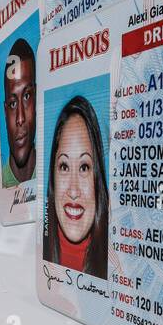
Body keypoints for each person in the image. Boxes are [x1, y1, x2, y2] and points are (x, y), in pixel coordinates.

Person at [42, 96, 108, 279]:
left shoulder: (120, 261)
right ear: (53, 176)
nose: (73, 190)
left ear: (97, 178)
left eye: (84, 167)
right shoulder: (34, 248)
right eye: (64, 166)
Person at [2, 39, 37, 186]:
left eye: (27, 96)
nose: (20, 118)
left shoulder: (53, 173)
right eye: (13, 104)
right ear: (5, 112)